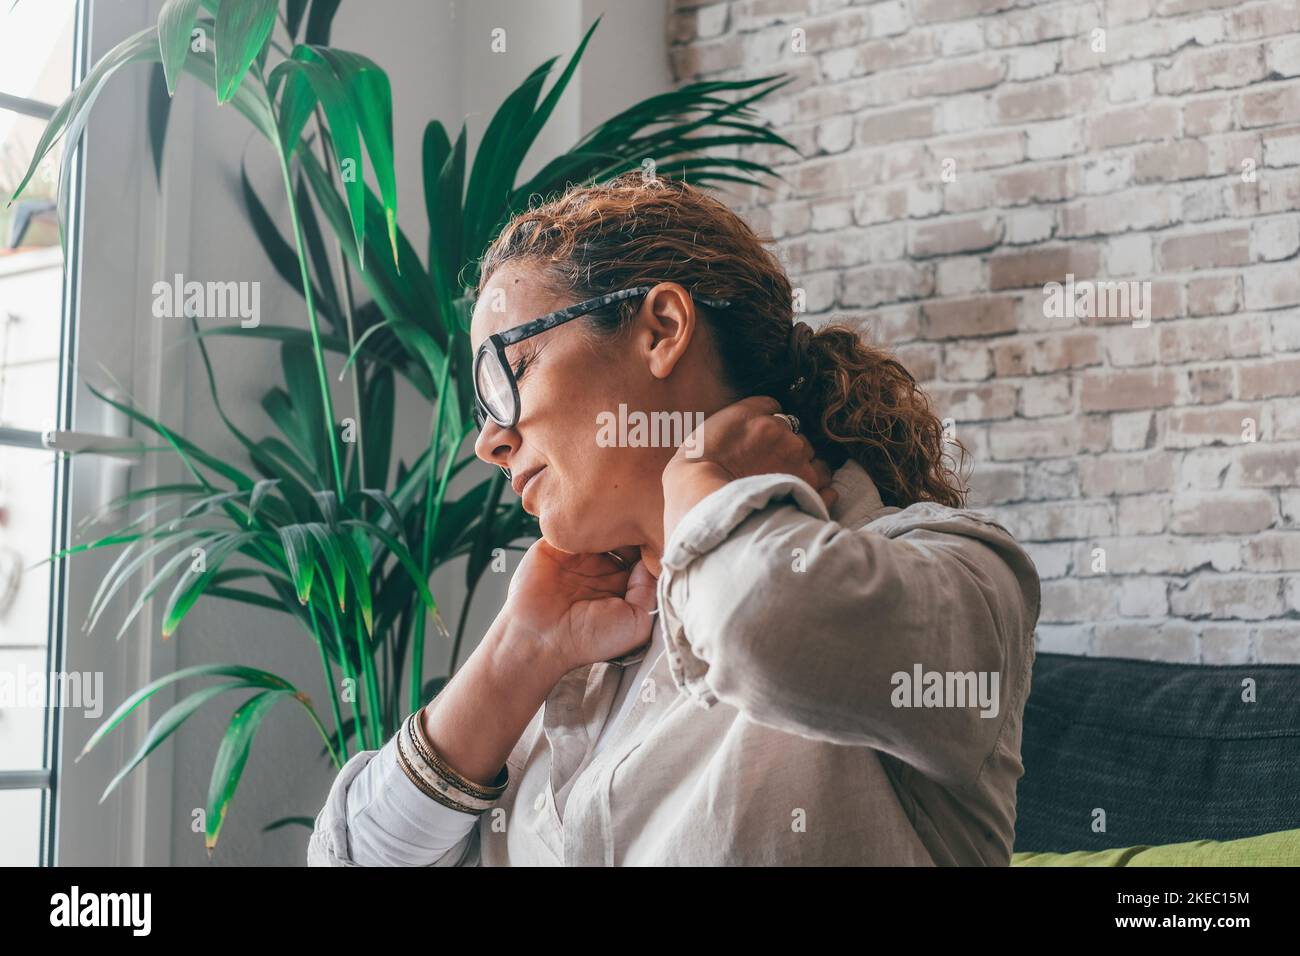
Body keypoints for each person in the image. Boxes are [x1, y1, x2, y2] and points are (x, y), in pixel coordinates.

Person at [307, 171, 1041, 866]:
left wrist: (699, 477)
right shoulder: (582, 657)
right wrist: (515, 655)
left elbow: (765, 625)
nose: (488, 439)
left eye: (512, 370)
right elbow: (351, 857)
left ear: (661, 328)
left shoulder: (961, 573)